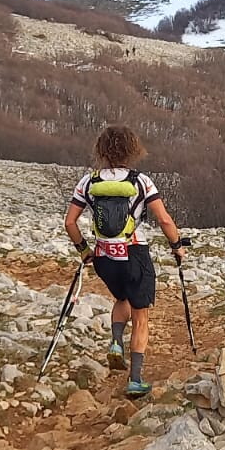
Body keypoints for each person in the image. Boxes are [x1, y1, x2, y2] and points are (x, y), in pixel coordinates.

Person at [64, 125, 186, 398]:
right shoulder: (141, 182)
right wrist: (177, 247)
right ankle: (135, 379)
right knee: (141, 317)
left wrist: (84, 250)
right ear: (132, 150)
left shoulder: (88, 182)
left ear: (102, 150)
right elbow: (164, 219)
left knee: (122, 300)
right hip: (134, 253)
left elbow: (70, 222)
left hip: (104, 257)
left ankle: (116, 343)